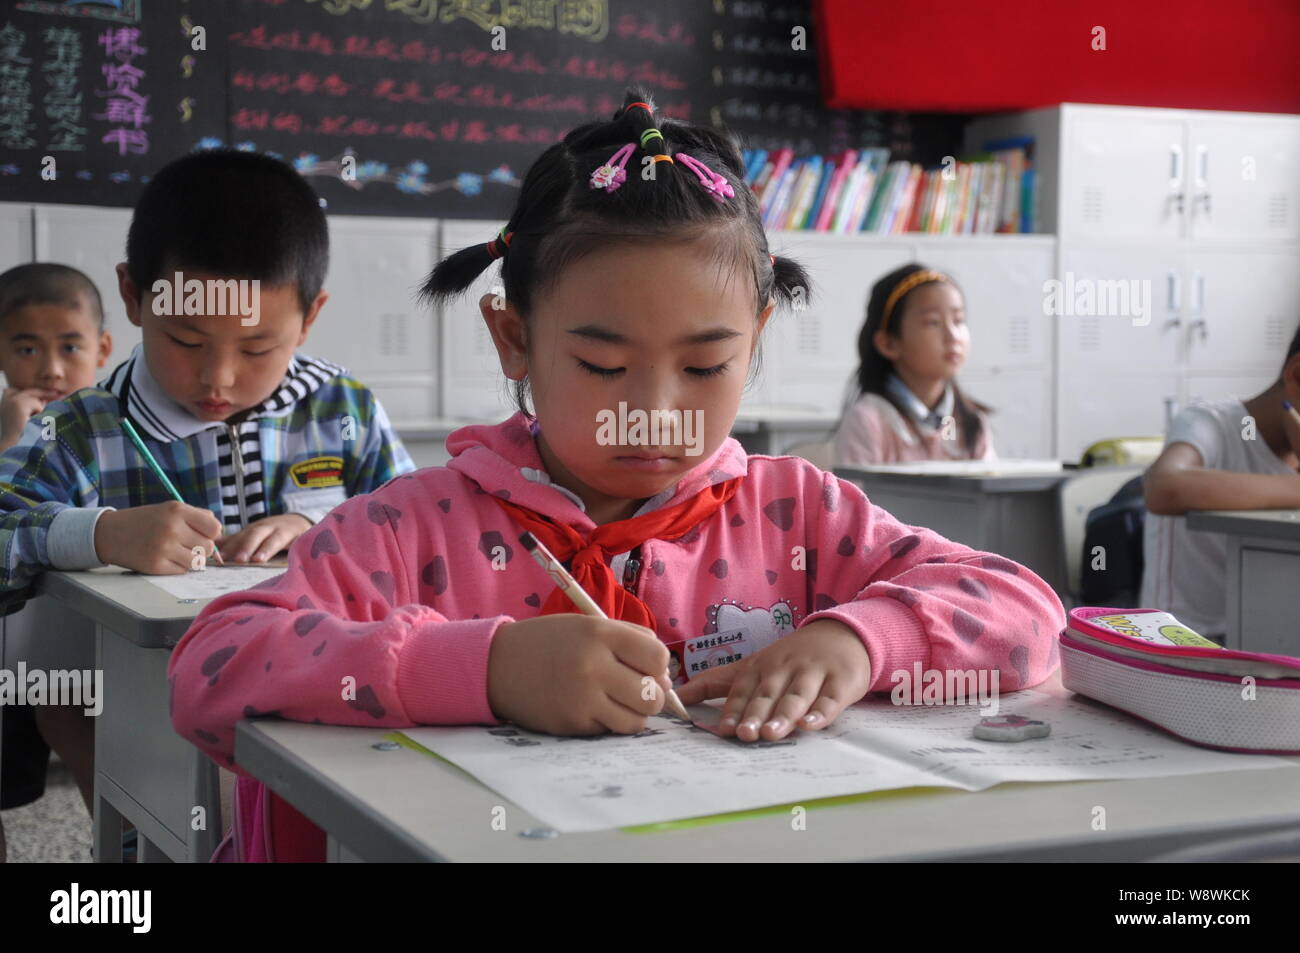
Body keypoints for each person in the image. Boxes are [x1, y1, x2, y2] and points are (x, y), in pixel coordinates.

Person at [169, 89, 1064, 862]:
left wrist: (862, 639)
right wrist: (481, 668)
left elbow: (1028, 610)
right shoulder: (415, 528)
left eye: (706, 366)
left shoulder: (797, 511)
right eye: (603, 366)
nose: (657, 409)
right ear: (514, 337)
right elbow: (209, 668)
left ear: (754, 336)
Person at [1141, 323, 1300, 639]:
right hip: (1183, 641)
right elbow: (1164, 487)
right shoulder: (1210, 423)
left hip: (1268, 641)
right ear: (1297, 375)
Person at [834, 264, 995, 465]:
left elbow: (989, 494)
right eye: (933, 322)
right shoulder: (868, 420)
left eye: (958, 320)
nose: (953, 336)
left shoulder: (972, 422)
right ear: (889, 343)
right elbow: (854, 496)